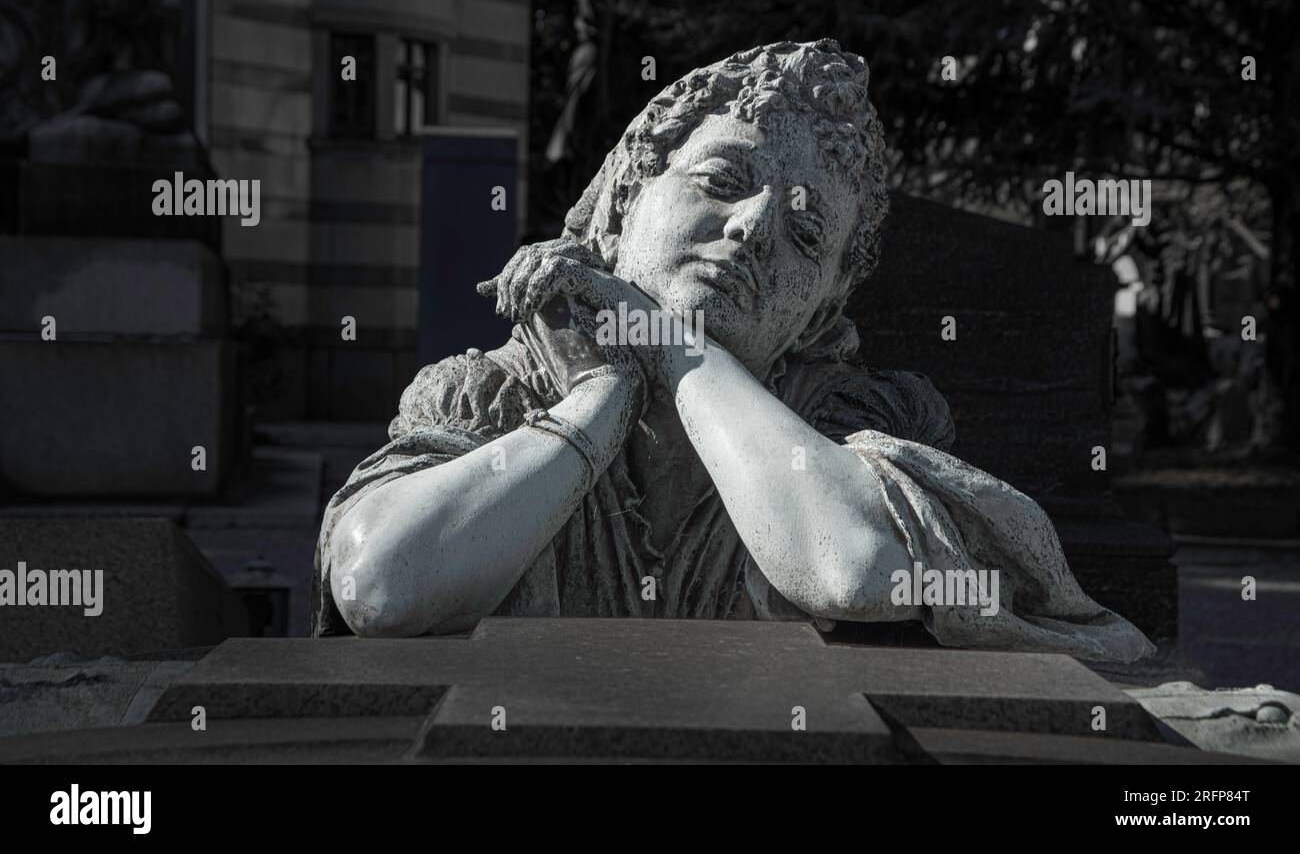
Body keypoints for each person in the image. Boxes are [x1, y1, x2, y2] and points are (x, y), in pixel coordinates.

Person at [311, 40, 1154, 663]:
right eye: (721, 181)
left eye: (805, 232)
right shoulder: (488, 400)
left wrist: (676, 357)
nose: (753, 227)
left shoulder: (840, 425)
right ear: (620, 204)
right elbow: (381, 582)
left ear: (820, 307)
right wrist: (598, 401)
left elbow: (855, 566)